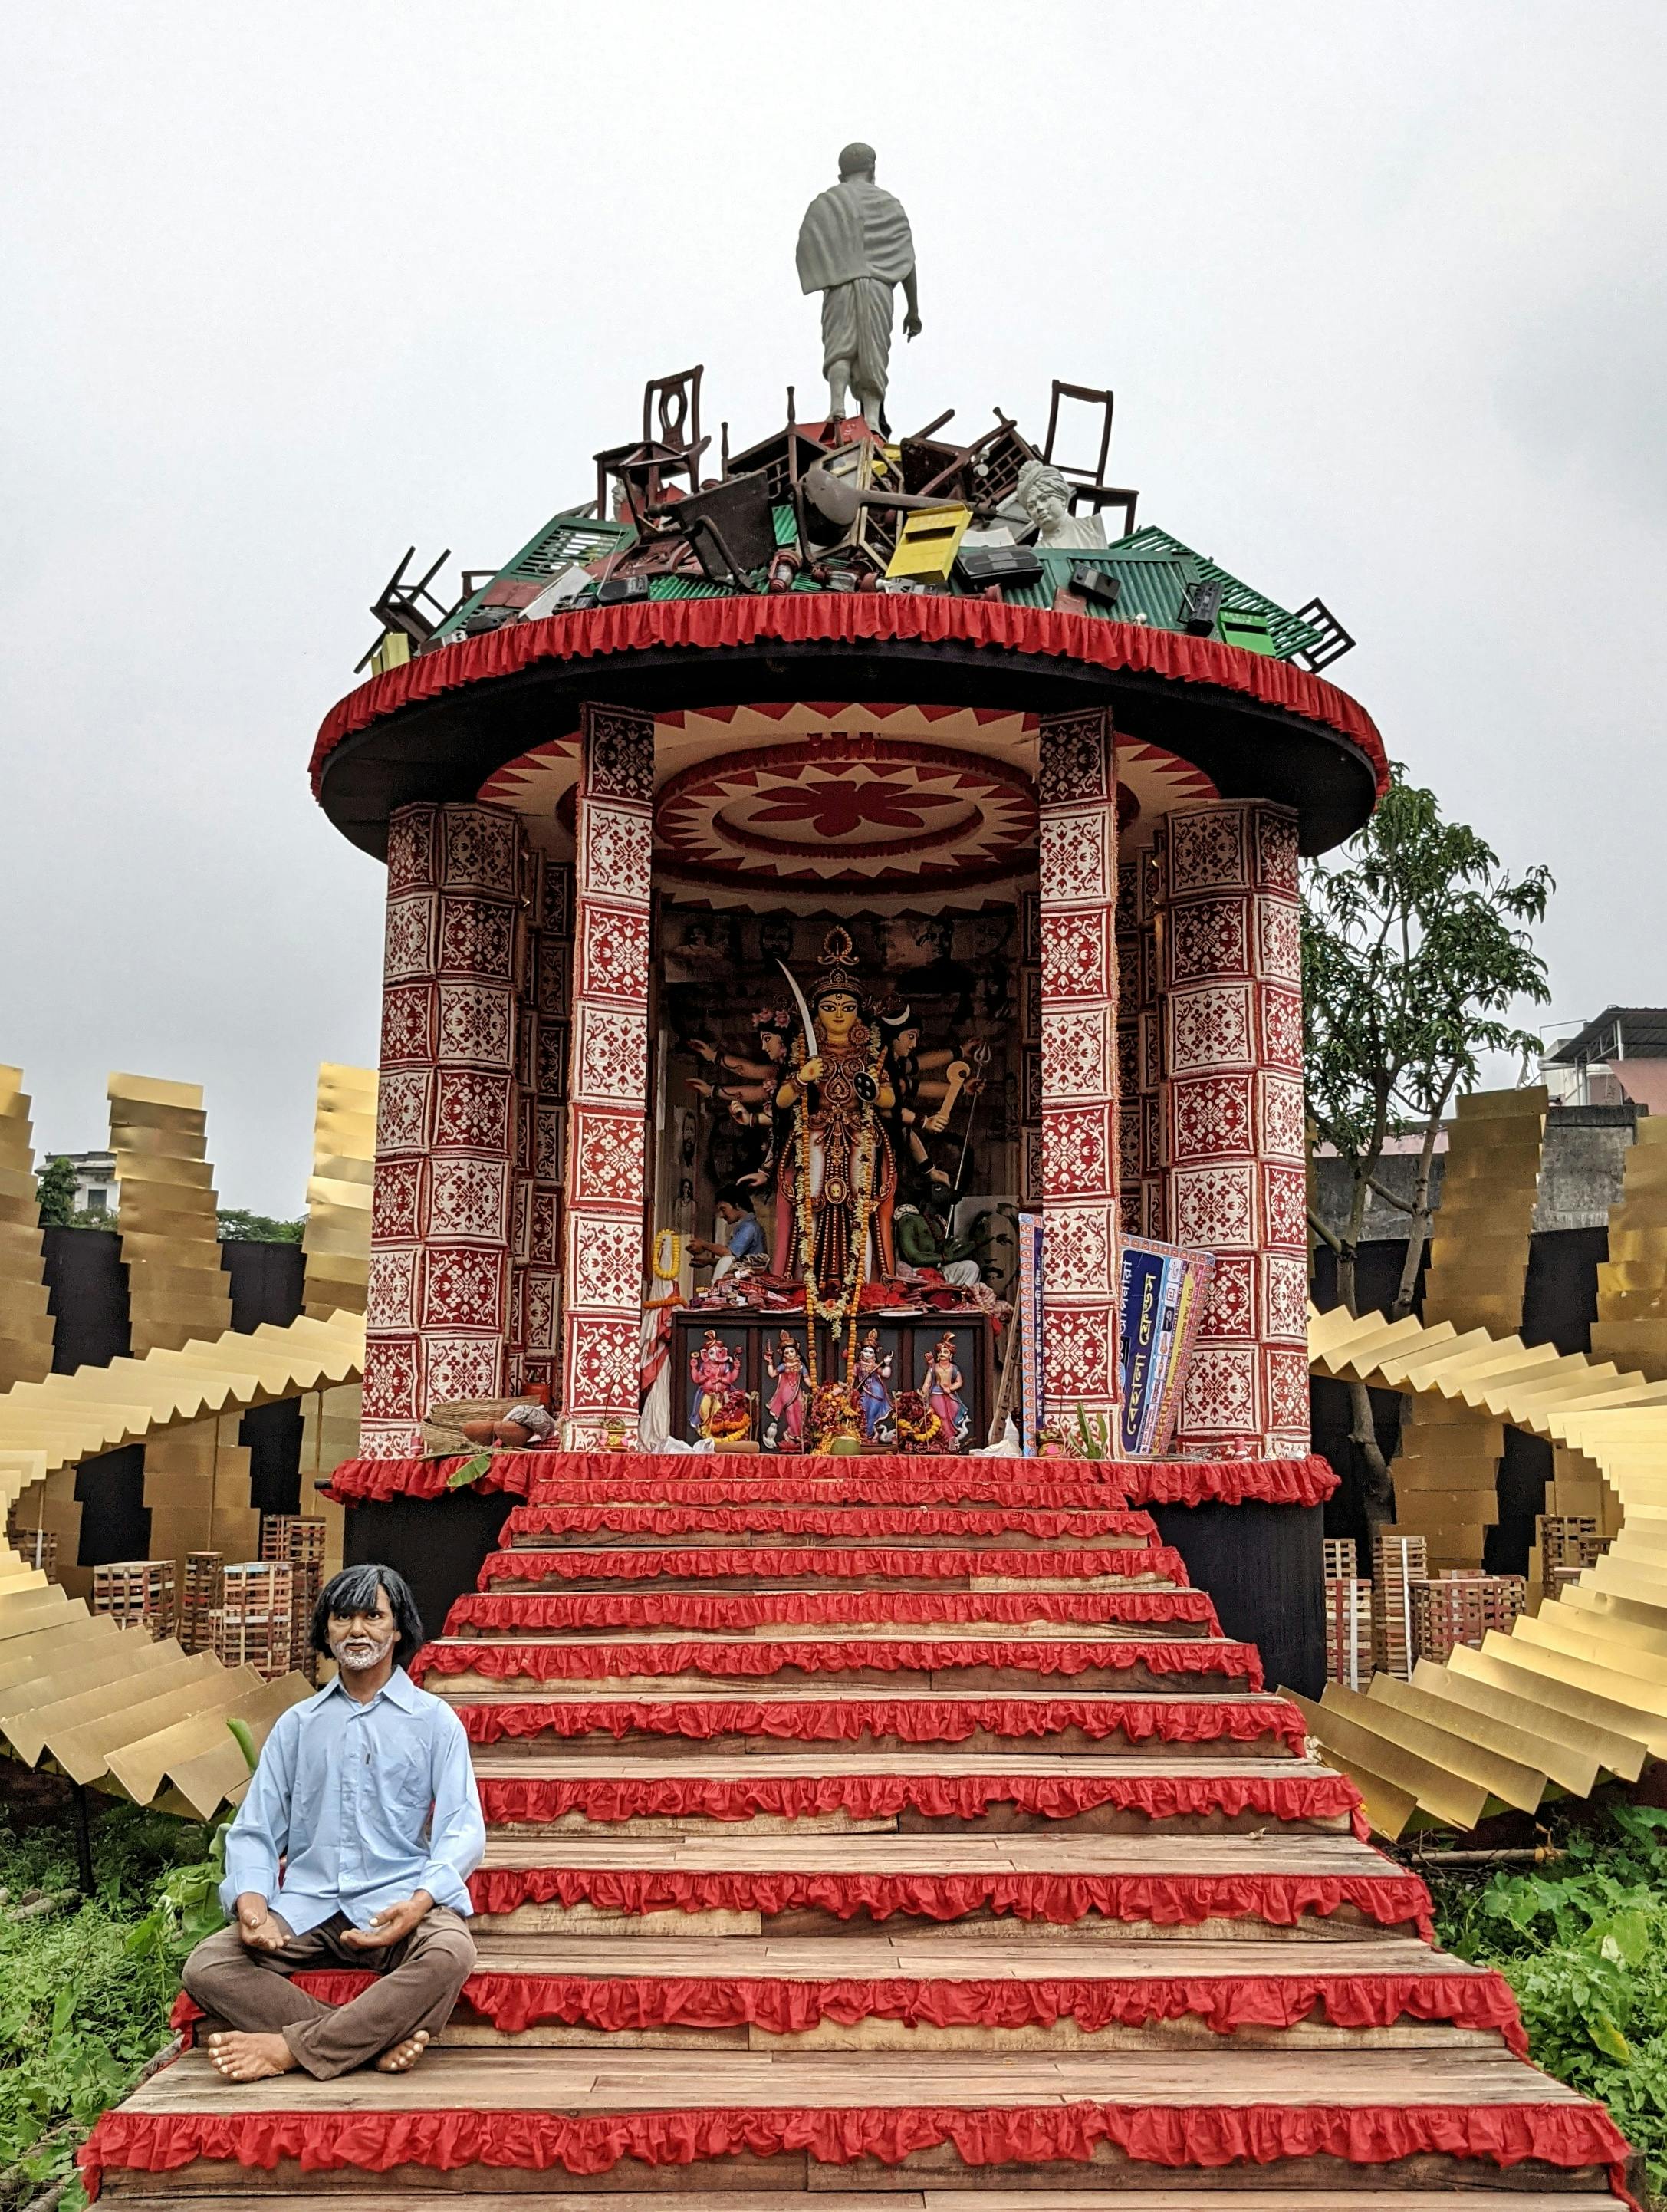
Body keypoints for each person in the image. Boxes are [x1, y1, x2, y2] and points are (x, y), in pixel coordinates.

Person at [180, 1564, 484, 2084]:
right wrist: (252, 1903)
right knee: (206, 1966)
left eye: (373, 1615)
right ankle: (363, 2045)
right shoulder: (298, 1726)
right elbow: (255, 1829)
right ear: (326, 1630)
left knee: (452, 1951)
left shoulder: (434, 1722)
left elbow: (462, 1827)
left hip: (393, 1903)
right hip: (308, 1905)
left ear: (398, 1629)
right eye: (343, 1617)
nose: (357, 1630)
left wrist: (420, 1903)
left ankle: (288, 2049)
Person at [795, 142, 921, 430]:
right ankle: (873, 421)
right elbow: (907, 259)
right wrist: (913, 310)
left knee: (840, 348)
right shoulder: (889, 204)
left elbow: (808, 248)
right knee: (873, 352)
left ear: (841, 175)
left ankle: (837, 406)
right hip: (878, 286)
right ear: (872, 170)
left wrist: (832, 271)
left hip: (839, 286)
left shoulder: (826, 203)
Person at [688, 1187, 768, 1279]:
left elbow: (728, 1254)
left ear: (737, 1206)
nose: (721, 1215)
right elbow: (736, 1262)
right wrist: (709, 1261)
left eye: (723, 1209)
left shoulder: (750, 1227)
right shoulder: (747, 1226)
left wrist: (704, 1245)